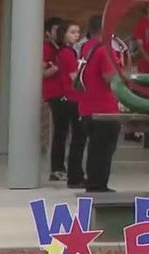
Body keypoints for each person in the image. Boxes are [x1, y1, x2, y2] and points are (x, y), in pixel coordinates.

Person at [77, 16, 121, 192]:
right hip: (105, 108)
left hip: (86, 107)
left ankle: (92, 182)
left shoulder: (86, 47)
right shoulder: (104, 50)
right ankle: (99, 185)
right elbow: (109, 77)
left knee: (94, 148)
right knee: (104, 150)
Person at [55, 21, 87, 188]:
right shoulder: (67, 53)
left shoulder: (68, 53)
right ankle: (75, 176)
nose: (76, 35)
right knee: (78, 139)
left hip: (71, 98)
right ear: (64, 34)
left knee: (77, 138)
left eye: (78, 32)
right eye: (72, 32)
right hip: (73, 99)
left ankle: (76, 174)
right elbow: (75, 77)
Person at [42, 16, 69, 182]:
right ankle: (56, 168)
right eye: (56, 30)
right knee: (59, 131)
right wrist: (58, 66)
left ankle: (62, 166)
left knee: (65, 131)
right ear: (48, 33)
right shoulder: (47, 48)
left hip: (67, 93)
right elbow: (43, 72)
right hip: (54, 93)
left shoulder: (66, 48)